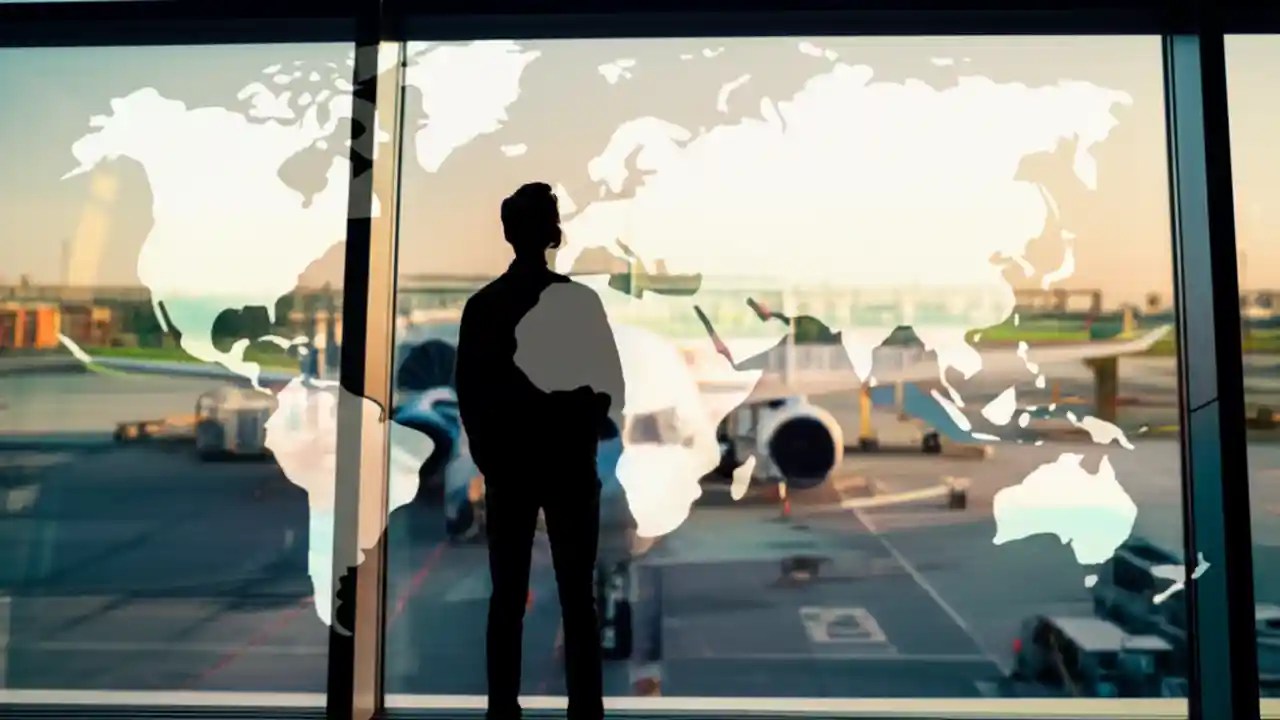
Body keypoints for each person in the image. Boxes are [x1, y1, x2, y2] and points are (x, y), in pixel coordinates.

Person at [455, 182, 625, 720]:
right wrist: (573, 430)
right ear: (553, 233)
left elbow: (470, 396)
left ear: (509, 233)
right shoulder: (580, 303)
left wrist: (493, 461)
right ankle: (585, 710)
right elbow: (607, 387)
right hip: (570, 469)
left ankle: (502, 710)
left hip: (510, 473)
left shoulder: (482, 307)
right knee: (579, 600)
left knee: (506, 601)